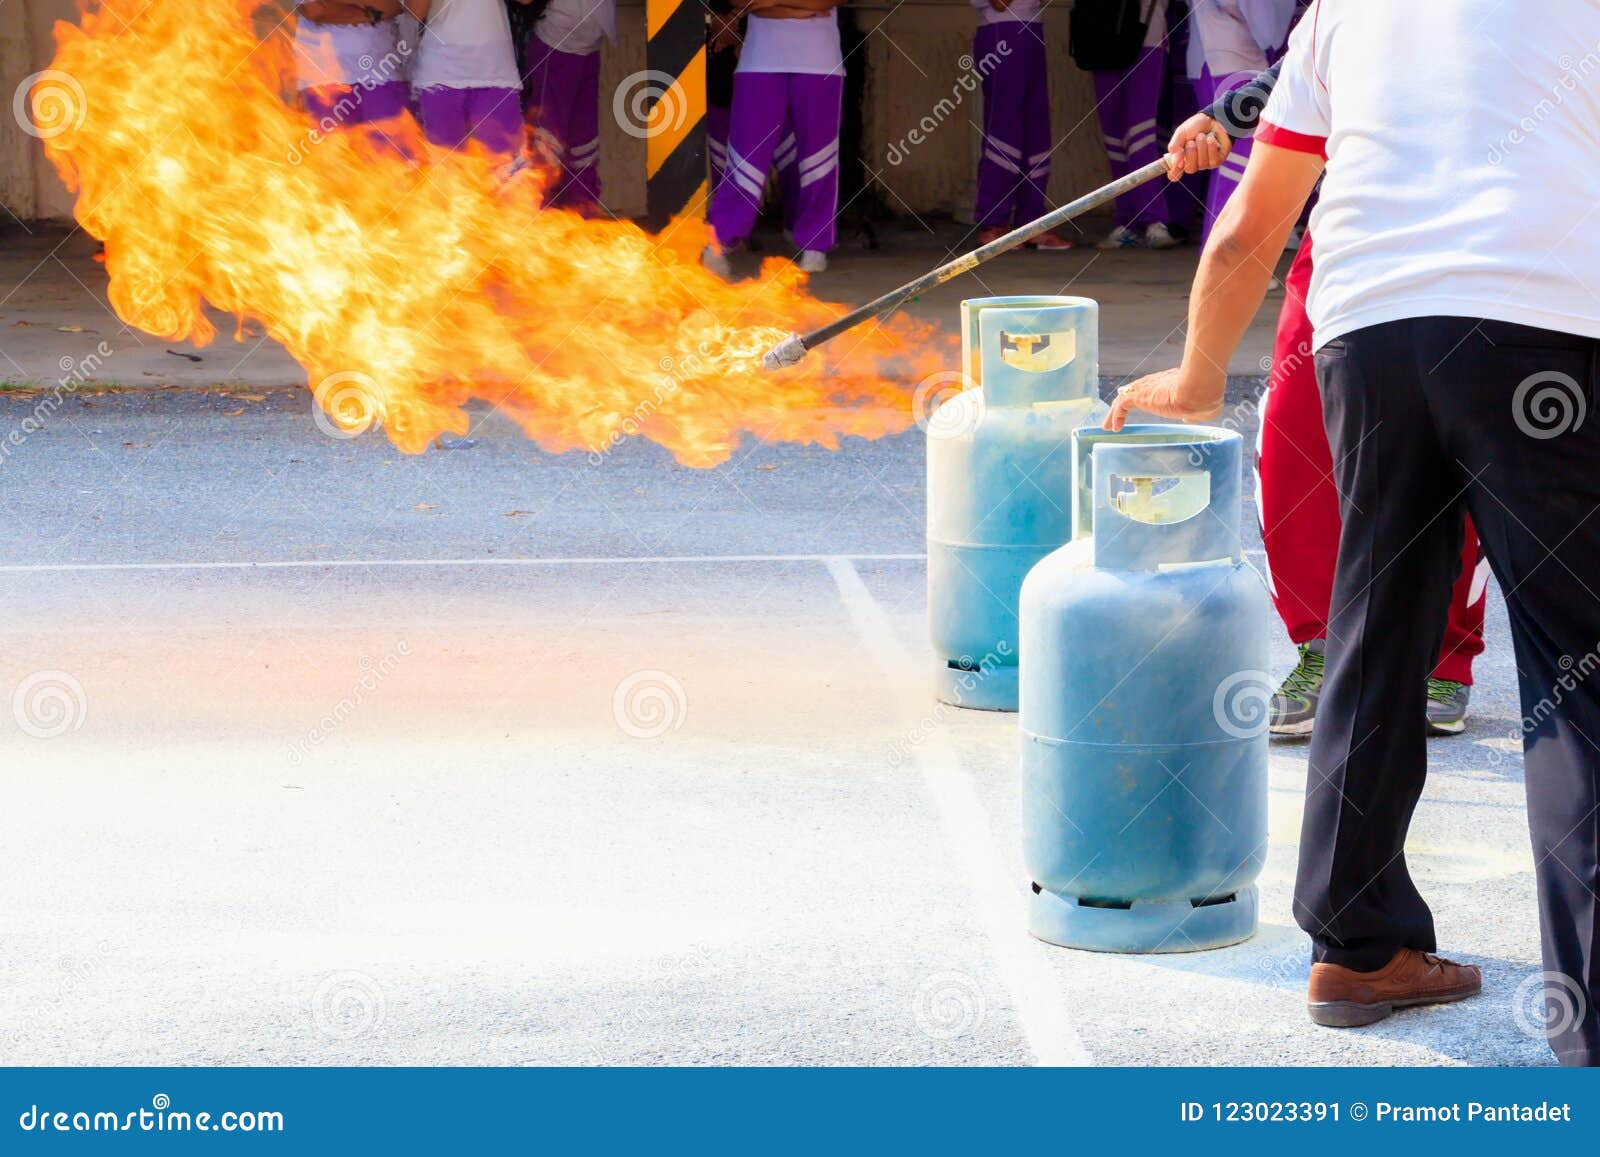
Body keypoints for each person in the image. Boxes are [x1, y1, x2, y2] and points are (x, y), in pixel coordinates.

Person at [1109, 1, 1600, 1067]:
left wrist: (1198, 377)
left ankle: (1355, 941)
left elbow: (1252, 223)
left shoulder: (1347, 12)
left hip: (1368, 334)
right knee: (1576, 657)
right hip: (1540, 330)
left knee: (1374, 625)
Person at [703, 0, 846, 277]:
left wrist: (768, 3)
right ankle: (720, 241)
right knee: (746, 155)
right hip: (760, 60)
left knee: (819, 156)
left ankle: (816, 245)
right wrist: (804, 8)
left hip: (820, 62)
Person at [1182, 0, 1294, 246]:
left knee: (1234, 167)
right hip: (1228, 61)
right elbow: (1264, 23)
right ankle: (1221, 264)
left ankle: (1225, 265)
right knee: (1233, 169)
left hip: (1229, 60)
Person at [971, 0, 1072, 249]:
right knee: (1005, 130)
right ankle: (993, 223)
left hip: (1032, 30)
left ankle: (1032, 223)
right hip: (1001, 32)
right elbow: (1000, 3)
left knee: (1036, 131)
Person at [1091, 0, 1179, 250]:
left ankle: (1155, 221)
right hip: (1101, 36)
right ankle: (1127, 221)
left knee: (1140, 133)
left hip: (1146, 35)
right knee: (1114, 136)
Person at [406, 0, 531, 157]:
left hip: (496, 71)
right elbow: (415, 12)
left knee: (505, 170)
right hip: (440, 74)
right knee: (446, 170)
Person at [522, 0, 614, 212]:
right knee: (545, 147)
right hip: (553, 45)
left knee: (583, 147)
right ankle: (534, 222)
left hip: (591, 48)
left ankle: (580, 221)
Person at [292, 1, 411, 127]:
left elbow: (398, 6)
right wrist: (372, 14)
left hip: (383, 74)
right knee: (330, 145)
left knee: (390, 144)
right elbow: (316, 10)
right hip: (324, 78)